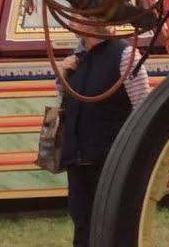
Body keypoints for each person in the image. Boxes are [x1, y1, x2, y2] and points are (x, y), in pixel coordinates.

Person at [56, 24, 150, 247]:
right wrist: (64, 75)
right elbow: (67, 102)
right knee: (83, 227)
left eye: (79, 15)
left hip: (111, 162)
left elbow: (142, 109)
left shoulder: (125, 55)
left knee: (114, 227)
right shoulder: (77, 56)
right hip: (78, 160)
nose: (72, 21)